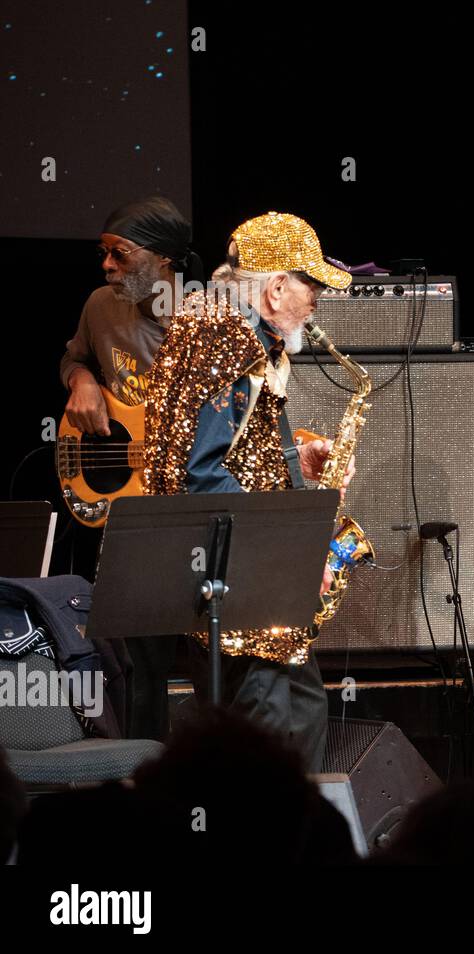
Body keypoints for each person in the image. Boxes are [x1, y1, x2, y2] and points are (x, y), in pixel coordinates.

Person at [143, 211, 353, 771]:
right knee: (271, 732)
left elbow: (220, 443)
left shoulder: (219, 326)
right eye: (309, 286)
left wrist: (297, 453)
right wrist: (290, 556)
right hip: (242, 583)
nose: (316, 301)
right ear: (277, 287)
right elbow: (202, 473)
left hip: (235, 576)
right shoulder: (226, 338)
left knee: (299, 708)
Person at [59, 195, 201, 741]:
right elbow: (73, 356)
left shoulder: (202, 319)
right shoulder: (100, 306)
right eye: (104, 254)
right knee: (139, 665)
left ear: (165, 259)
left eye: (120, 255)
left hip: (191, 505)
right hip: (131, 510)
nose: (107, 266)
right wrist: (83, 380)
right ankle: (145, 780)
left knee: (208, 653)